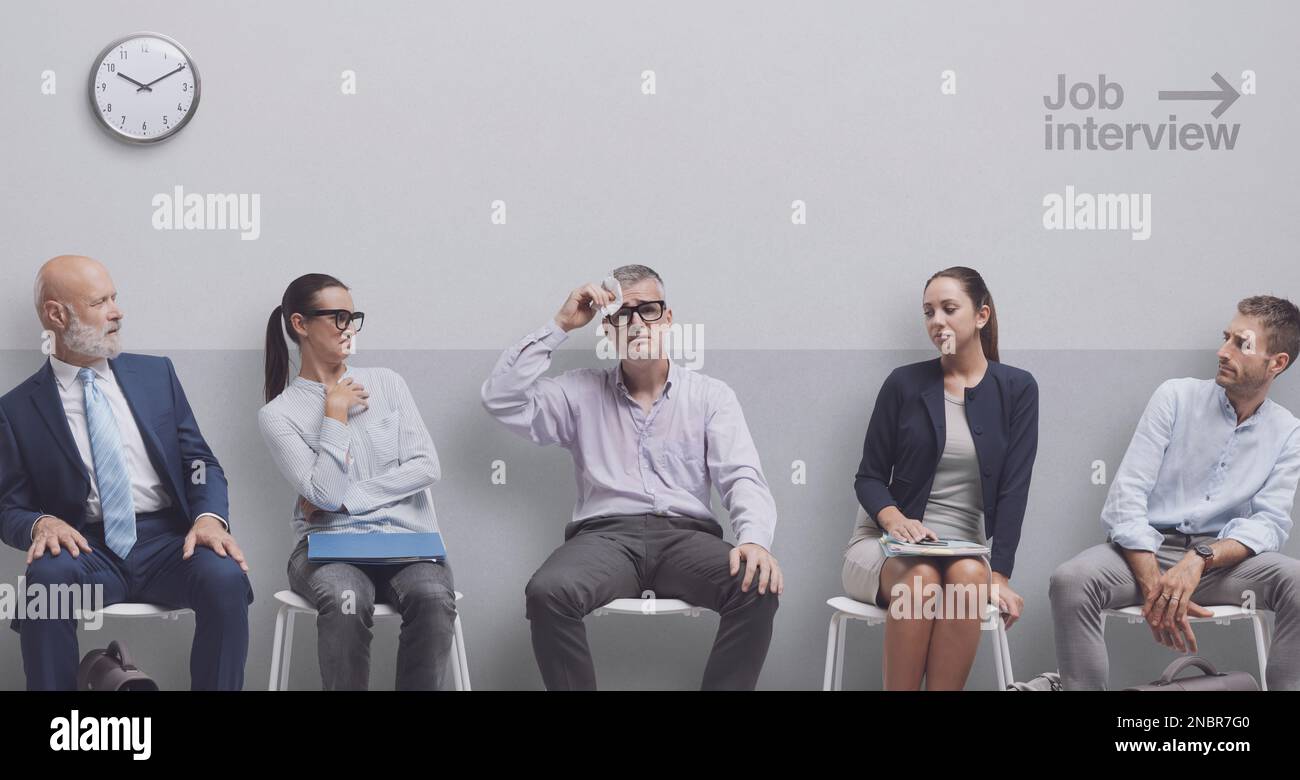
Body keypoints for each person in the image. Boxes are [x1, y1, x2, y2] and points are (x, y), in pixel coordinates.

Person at [481, 264, 783, 690]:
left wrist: (753, 539)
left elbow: (741, 477)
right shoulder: (578, 392)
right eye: (624, 314)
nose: (638, 323)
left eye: (650, 310)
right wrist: (561, 325)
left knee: (758, 586)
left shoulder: (711, 396)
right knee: (548, 592)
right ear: (608, 329)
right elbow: (499, 399)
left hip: (687, 538)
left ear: (669, 318)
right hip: (604, 539)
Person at [0, 255, 252, 690]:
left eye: (115, 297)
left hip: (169, 545)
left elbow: (199, 463)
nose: (117, 311)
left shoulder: (156, 375)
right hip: (86, 549)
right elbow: (9, 507)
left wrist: (210, 518)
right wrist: (42, 522)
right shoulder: (17, 409)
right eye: (100, 302)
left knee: (227, 575)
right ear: (57, 315)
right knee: (44, 580)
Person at [1050, 295, 1300, 690]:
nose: (1223, 351)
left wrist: (1200, 559)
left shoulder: (1288, 432)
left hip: (1220, 566)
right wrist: (1154, 584)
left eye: (1242, 343)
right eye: (1226, 338)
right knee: (1072, 579)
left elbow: (1269, 525)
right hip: (1143, 553)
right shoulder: (1175, 397)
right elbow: (1125, 499)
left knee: (1297, 581)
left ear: (1277, 363)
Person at [258, 273, 457, 690]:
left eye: (354, 317)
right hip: (330, 551)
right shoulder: (279, 415)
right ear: (300, 324)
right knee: (346, 602)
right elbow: (321, 494)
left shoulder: (387, 382)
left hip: (408, 544)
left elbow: (426, 466)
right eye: (340, 317)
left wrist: (348, 501)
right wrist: (334, 414)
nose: (349, 328)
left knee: (433, 598)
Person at [847, 266, 1037, 690]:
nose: (937, 321)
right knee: (921, 580)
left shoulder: (1018, 389)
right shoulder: (903, 384)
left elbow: (1014, 490)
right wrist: (896, 520)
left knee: (969, 578)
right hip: (885, 547)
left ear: (981, 316)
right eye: (929, 312)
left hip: (963, 552)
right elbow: (869, 477)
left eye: (949, 309)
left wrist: (1000, 575)